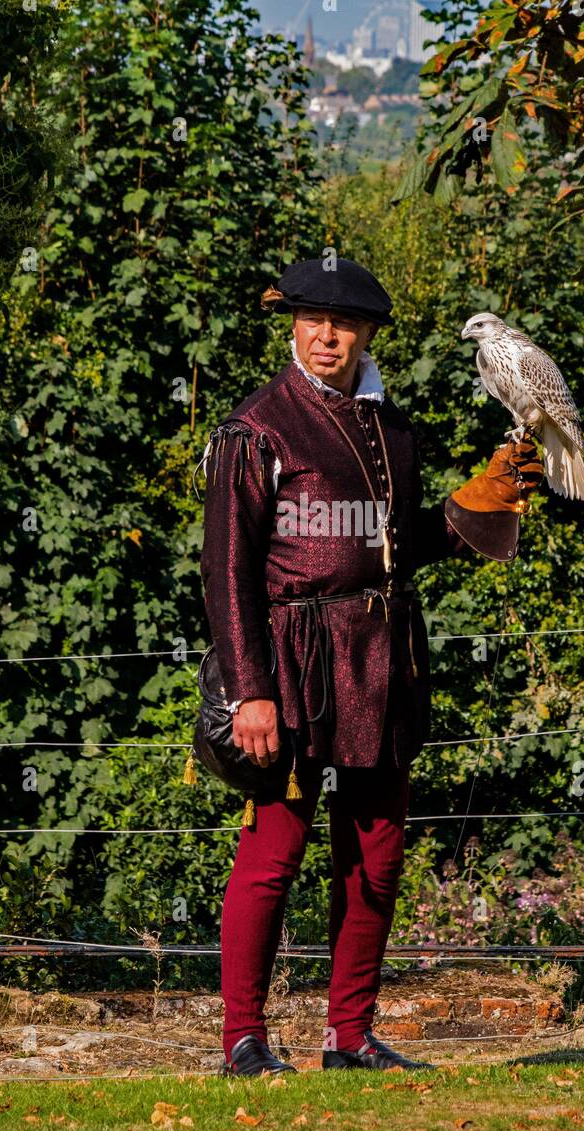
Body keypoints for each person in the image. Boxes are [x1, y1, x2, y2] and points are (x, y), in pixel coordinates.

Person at [198, 257, 543, 1076]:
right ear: (291, 325)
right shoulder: (257, 428)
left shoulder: (390, 429)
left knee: (377, 851)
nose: (326, 335)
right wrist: (251, 690)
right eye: (312, 319)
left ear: (366, 333)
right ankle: (243, 1040)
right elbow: (227, 569)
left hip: (381, 658)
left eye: (343, 323)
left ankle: (348, 1037)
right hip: (287, 666)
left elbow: (399, 549)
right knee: (272, 854)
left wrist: (477, 504)